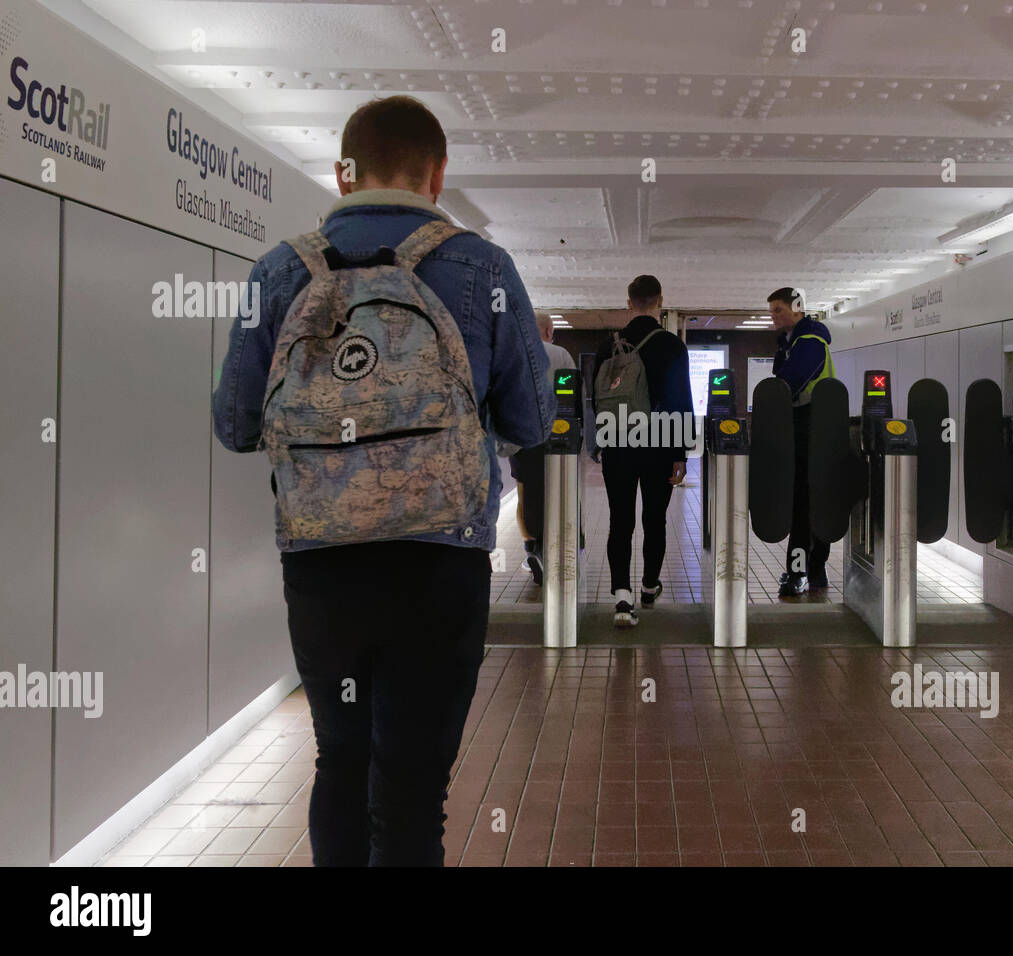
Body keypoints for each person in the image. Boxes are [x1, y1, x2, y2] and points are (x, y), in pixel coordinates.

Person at [212, 95, 554, 866]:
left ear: (343, 174)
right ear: (437, 175)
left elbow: (236, 424)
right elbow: (534, 420)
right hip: (439, 563)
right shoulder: (481, 266)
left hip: (322, 563)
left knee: (341, 762)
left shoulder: (278, 269)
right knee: (410, 789)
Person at [592, 275, 692, 627]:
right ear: (660, 301)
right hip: (660, 444)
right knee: (655, 519)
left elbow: (596, 399)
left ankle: (622, 598)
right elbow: (681, 400)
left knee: (620, 521)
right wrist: (681, 453)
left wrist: (602, 440)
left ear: (629, 301)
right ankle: (649, 586)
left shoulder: (608, 346)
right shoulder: (672, 346)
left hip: (618, 442)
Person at [769, 286, 836, 596]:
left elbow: (788, 384)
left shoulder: (809, 343)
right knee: (804, 505)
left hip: (812, 430)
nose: (773, 316)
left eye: (778, 310)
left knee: (807, 505)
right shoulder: (790, 342)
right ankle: (805, 571)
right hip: (804, 431)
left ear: (797, 308)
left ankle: (806, 572)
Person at [509, 312, 576, 584]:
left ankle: (531, 550)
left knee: (526, 496)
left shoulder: (514, 355)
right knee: (555, 492)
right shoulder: (560, 356)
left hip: (522, 439)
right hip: (557, 438)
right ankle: (555, 549)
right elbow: (571, 397)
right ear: (549, 331)